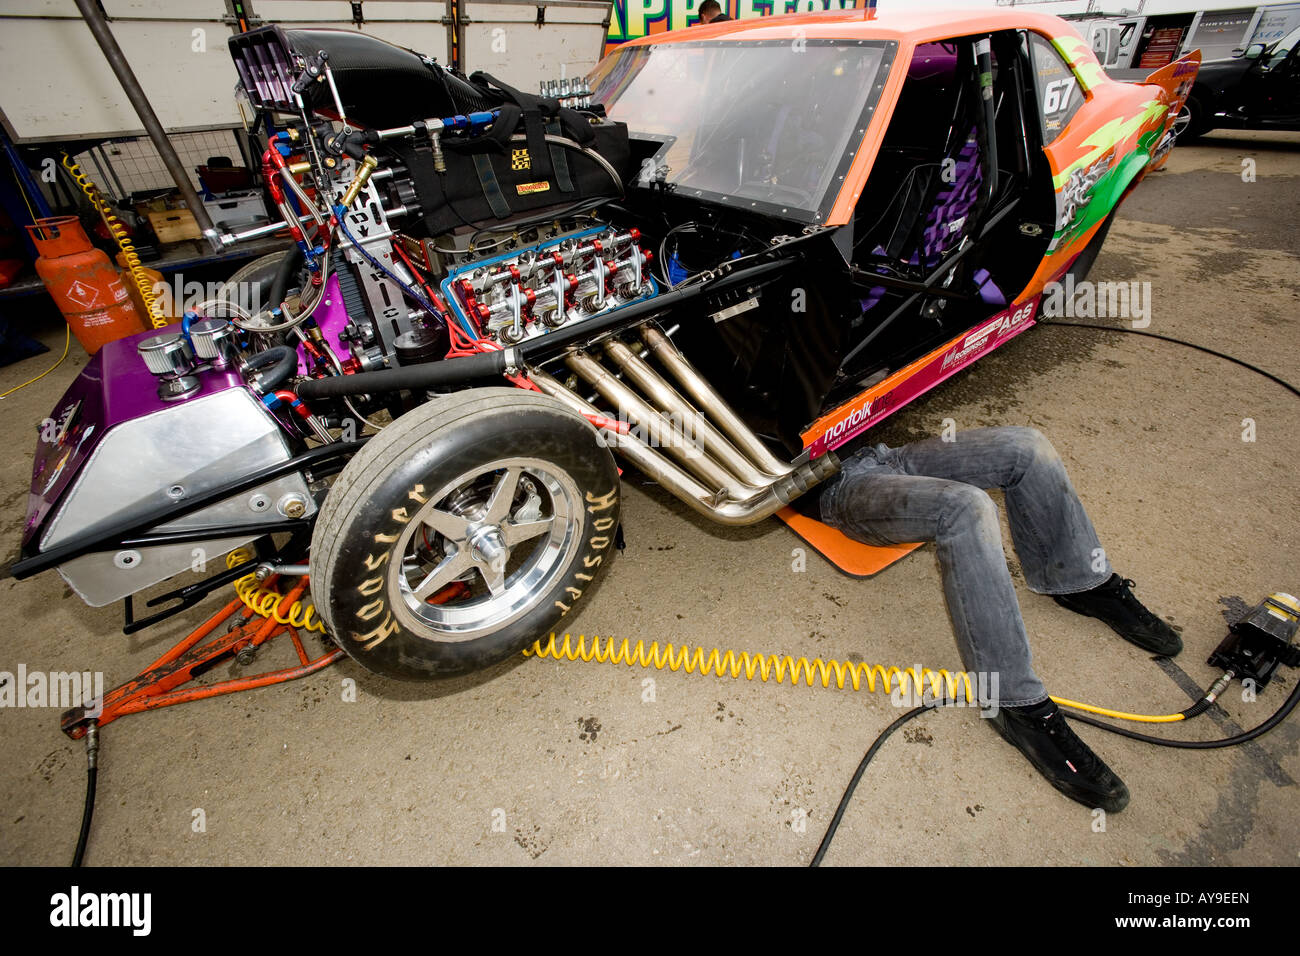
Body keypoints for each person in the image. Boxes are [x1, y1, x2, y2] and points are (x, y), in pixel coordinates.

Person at [805, 426, 1182, 812]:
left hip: (880, 453)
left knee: (1028, 447)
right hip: (834, 485)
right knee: (966, 508)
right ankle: (1012, 702)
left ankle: (1077, 581)